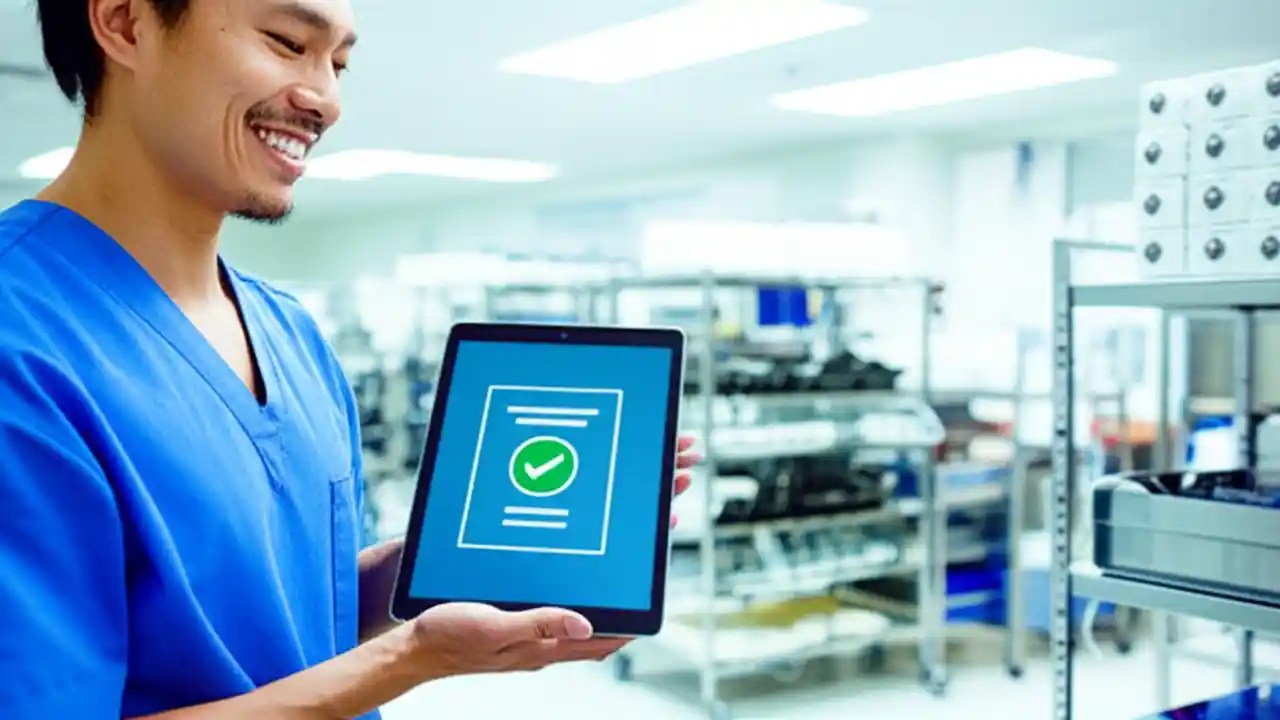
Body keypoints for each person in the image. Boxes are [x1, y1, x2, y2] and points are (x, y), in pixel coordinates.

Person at [0, 0, 697, 717]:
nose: (326, 100)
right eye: (287, 41)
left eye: (338, 63)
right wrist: (413, 658)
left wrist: (422, 574)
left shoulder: (291, 333)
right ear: (124, 23)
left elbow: (296, 616)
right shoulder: (21, 339)